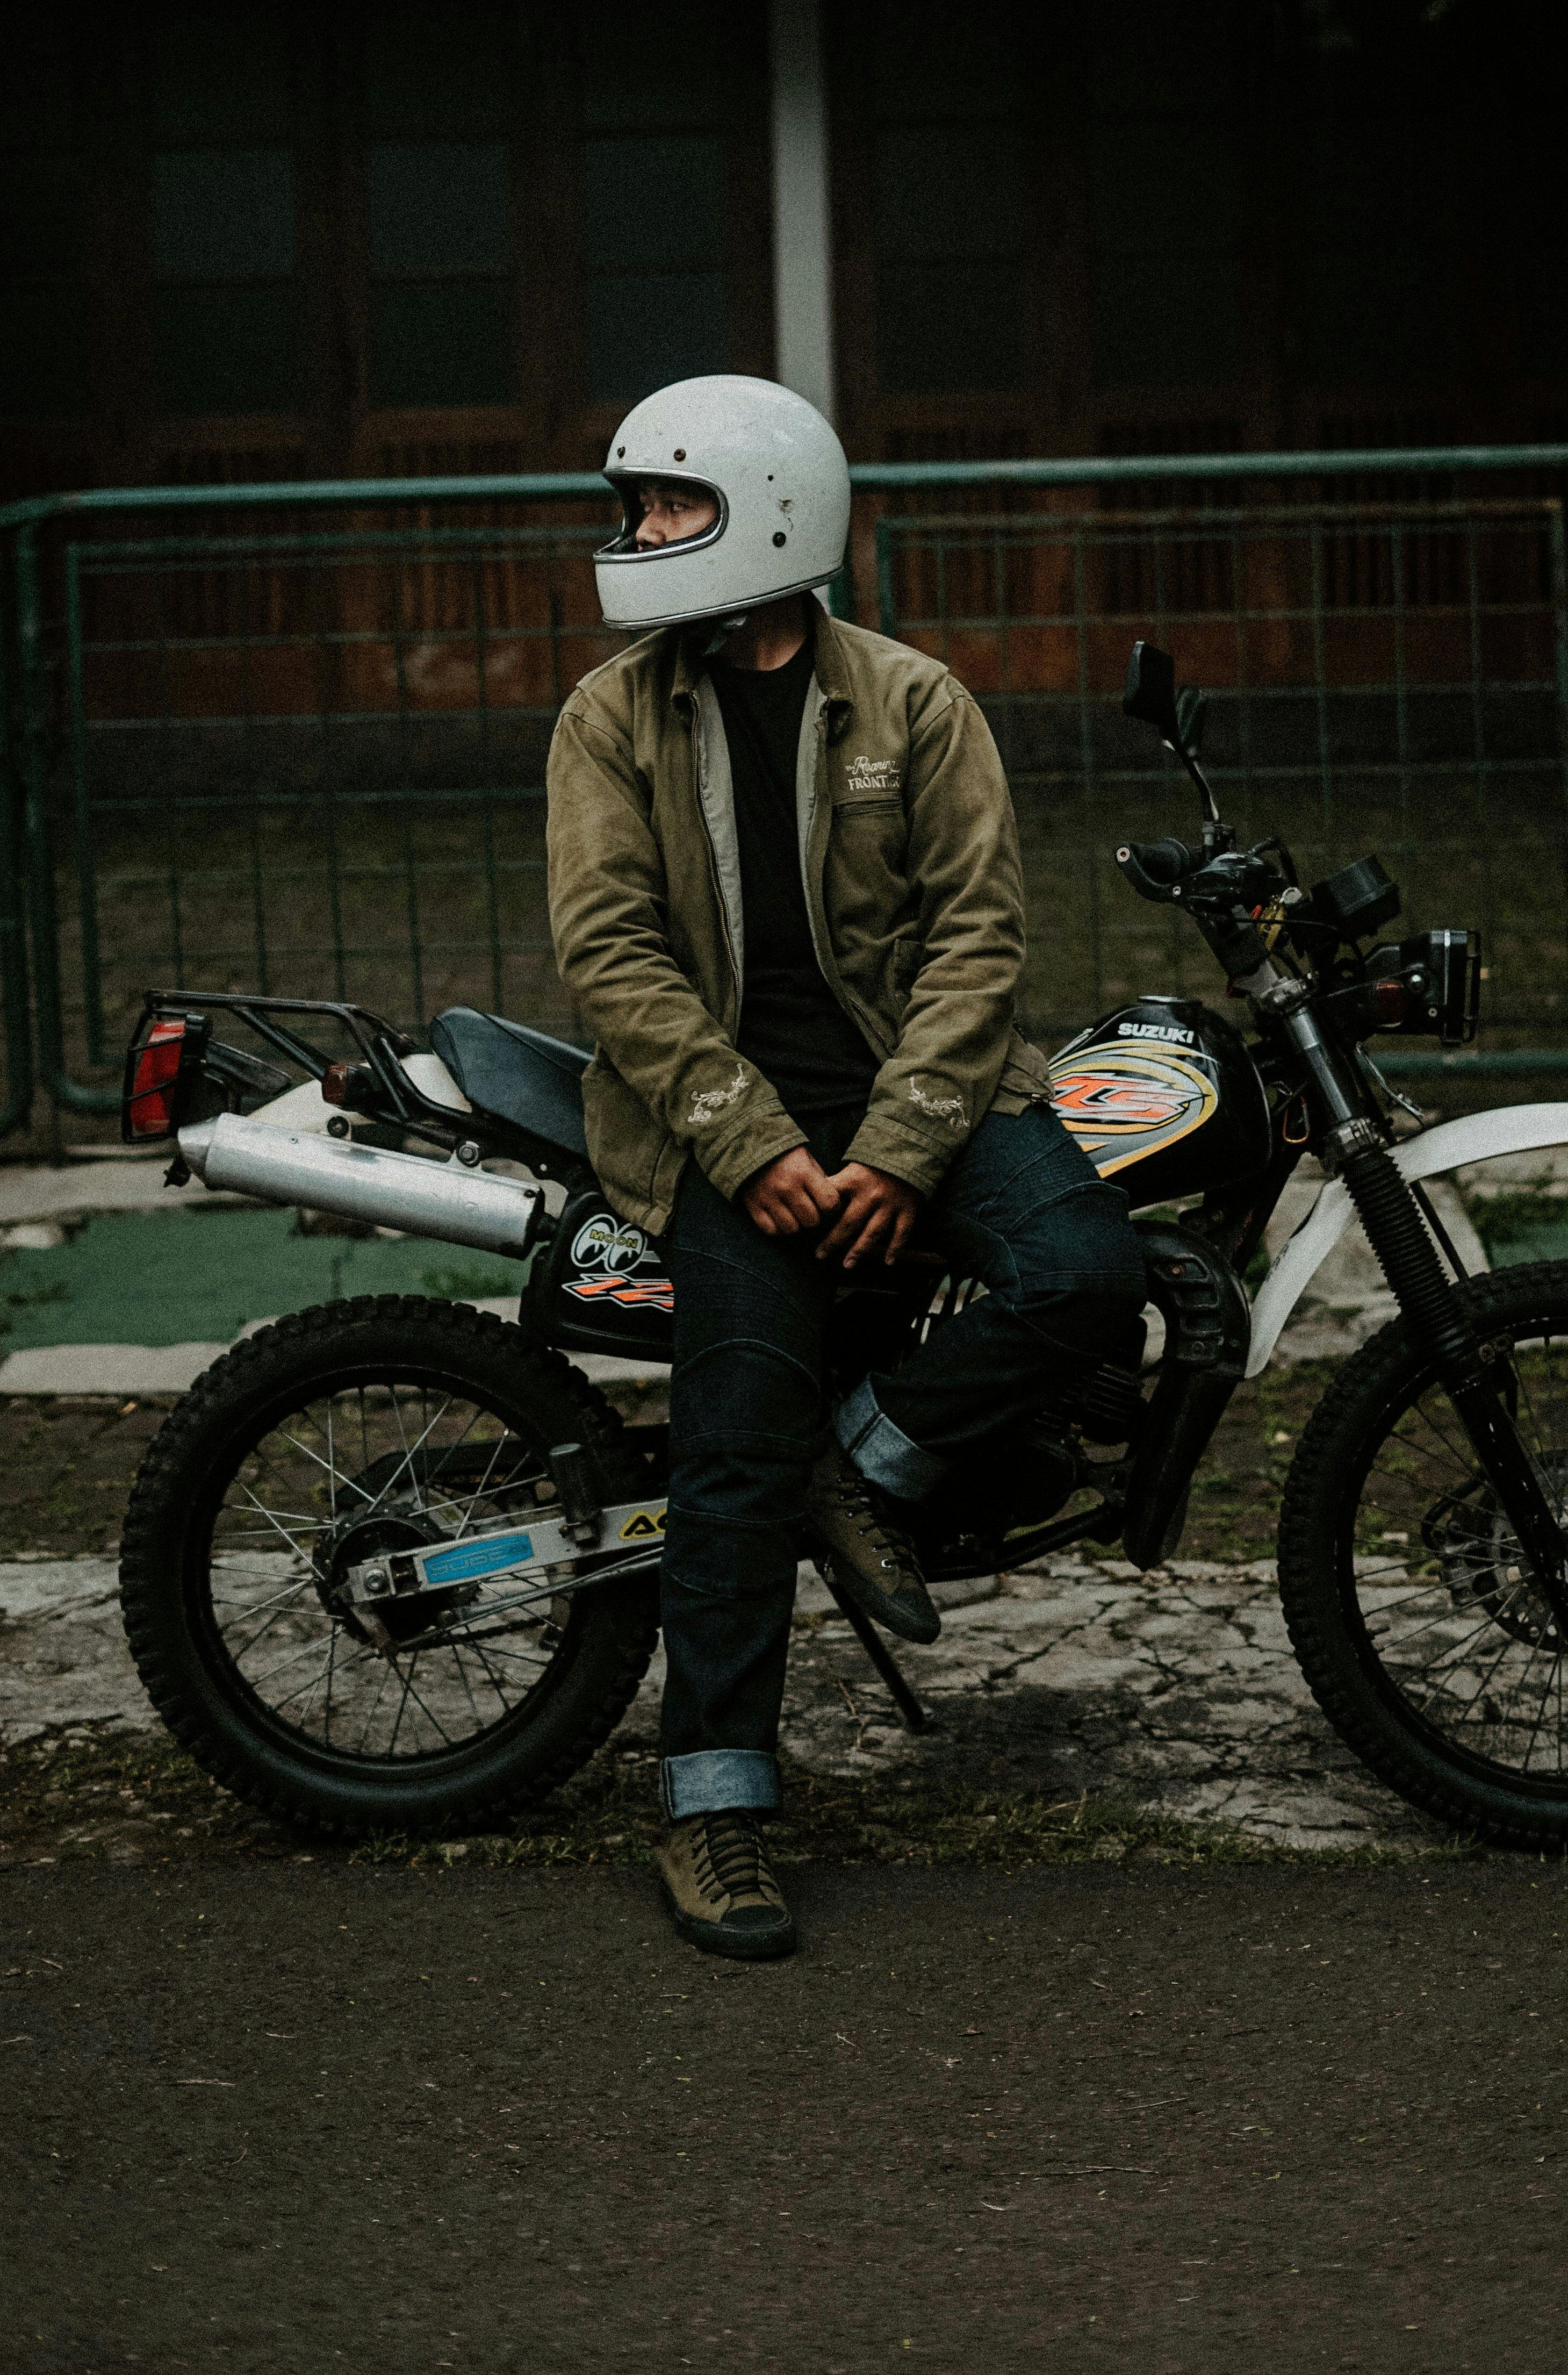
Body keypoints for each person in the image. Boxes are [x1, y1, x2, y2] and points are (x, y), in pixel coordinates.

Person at [546, 375, 1146, 1961]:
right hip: (719, 1141)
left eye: (671, 505)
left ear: (770, 508)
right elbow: (609, 955)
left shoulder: (915, 705)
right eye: (641, 506)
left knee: (1093, 1271)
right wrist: (752, 1149)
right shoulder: (608, 719)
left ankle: (867, 1460)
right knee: (730, 1448)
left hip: (925, 1111)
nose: (640, 535)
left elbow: (979, 943)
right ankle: (717, 1813)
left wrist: (896, 1149)